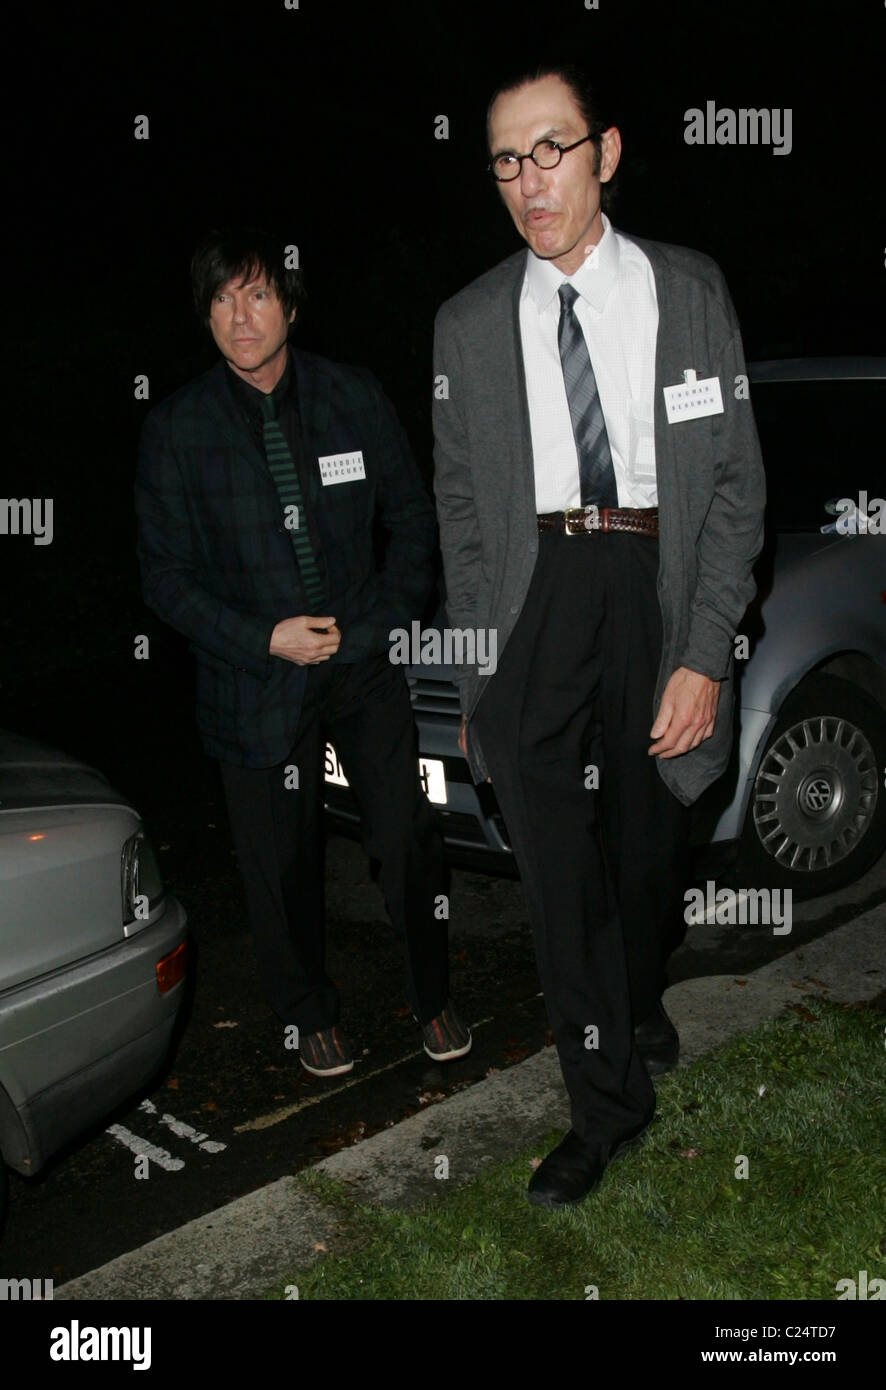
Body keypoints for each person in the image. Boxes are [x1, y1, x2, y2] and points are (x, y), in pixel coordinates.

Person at [432, 66, 765, 1205]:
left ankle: (631, 993)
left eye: (552, 149)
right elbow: (463, 516)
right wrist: (479, 680)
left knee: (646, 843)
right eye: (506, 160)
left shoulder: (687, 290)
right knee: (555, 870)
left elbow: (731, 486)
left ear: (606, 151)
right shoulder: (468, 323)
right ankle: (602, 1102)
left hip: (652, 575)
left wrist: (705, 646)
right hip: (533, 593)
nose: (530, 180)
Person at [136, 227, 471, 1079]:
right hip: (253, 682)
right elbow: (165, 581)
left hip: (359, 666)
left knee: (406, 838)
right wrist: (263, 638)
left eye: (255, 294)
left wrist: (374, 627)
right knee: (279, 866)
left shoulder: (351, 397)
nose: (239, 316)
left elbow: (413, 522)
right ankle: (307, 1012)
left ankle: (432, 995)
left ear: (289, 302)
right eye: (220, 298)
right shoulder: (178, 429)